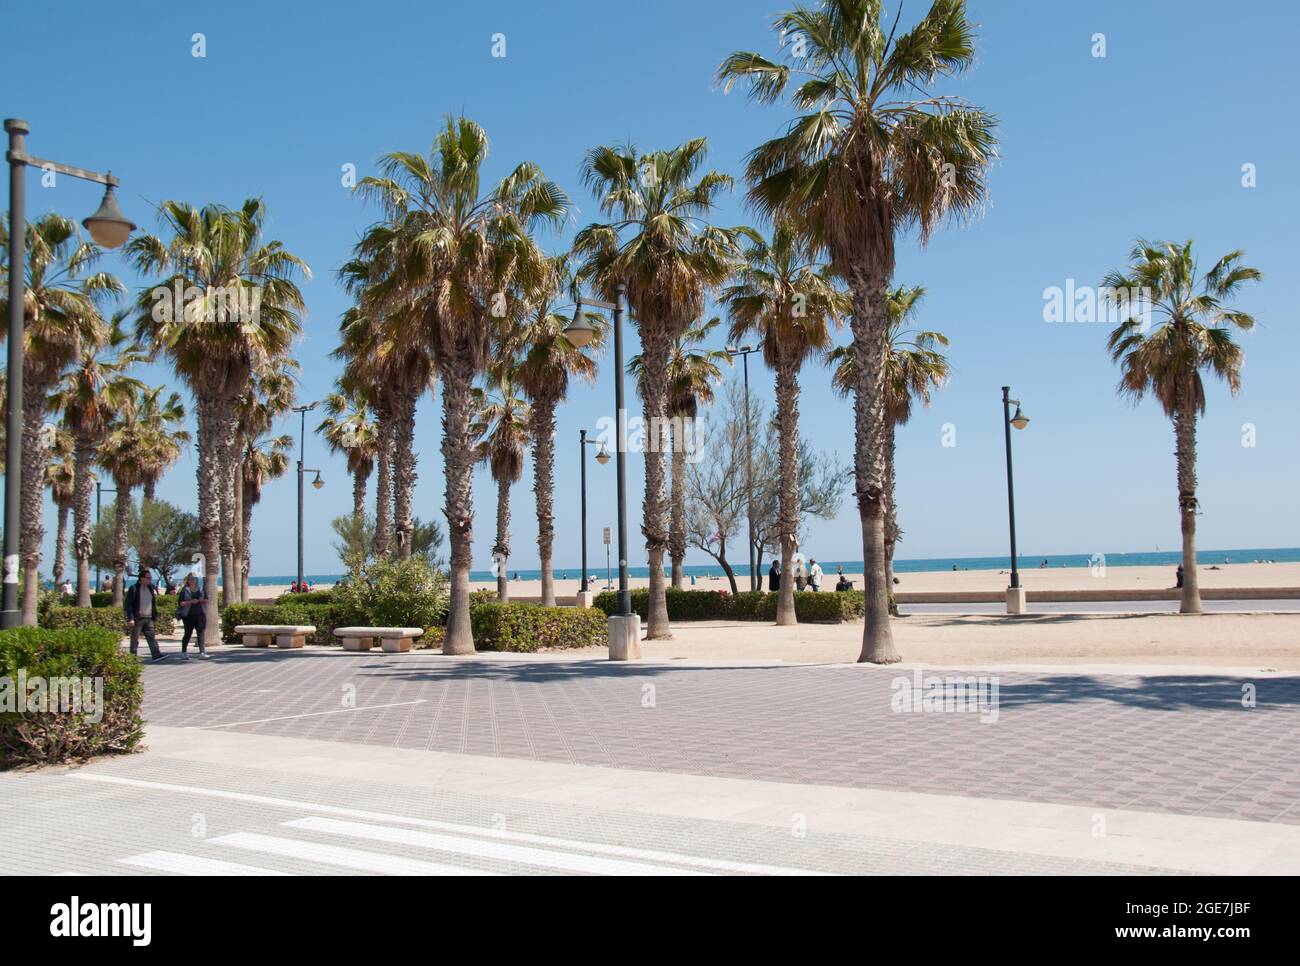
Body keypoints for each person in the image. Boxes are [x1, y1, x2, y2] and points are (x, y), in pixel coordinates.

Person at [124, 568, 165, 662]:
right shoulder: (134, 589)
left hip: (149, 617)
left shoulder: (150, 587)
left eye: (150, 578)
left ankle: (156, 655)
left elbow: (153, 602)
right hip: (137, 618)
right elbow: (128, 604)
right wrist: (130, 618)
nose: (150, 579)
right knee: (135, 638)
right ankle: (133, 657)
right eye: (148, 578)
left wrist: (155, 614)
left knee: (151, 637)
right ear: (141, 578)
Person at [177, 573, 210, 660]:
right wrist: (191, 602)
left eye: (194, 579)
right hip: (188, 615)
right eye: (191, 579)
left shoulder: (201, 589)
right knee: (188, 633)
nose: (192, 580)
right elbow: (181, 603)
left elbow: (207, 600)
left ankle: (202, 652)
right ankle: (184, 652)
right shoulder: (184, 590)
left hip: (200, 614)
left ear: (196, 580)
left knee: (201, 633)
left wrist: (201, 600)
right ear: (188, 580)